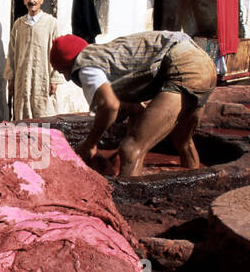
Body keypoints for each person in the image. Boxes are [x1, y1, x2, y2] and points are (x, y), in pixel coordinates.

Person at [50, 30, 217, 178]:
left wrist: (90, 144)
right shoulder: (109, 55)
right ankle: (193, 184)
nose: (65, 78)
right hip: (202, 61)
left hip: (184, 66)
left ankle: (128, 206)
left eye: (63, 72)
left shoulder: (86, 67)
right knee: (183, 141)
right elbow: (135, 111)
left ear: (69, 65)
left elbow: (110, 106)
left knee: (130, 149)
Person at [4, 0, 68, 121]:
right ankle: (24, 141)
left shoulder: (51, 23)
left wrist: (54, 79)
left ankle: (45, 141)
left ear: (42, 0)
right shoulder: (19, 24)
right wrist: (11, 78)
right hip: (22, 79)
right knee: (22, 114)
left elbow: (59, 51)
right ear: (24, 1)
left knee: (44, 112)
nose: (31, 1)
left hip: (43, 78)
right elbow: (12, 53)